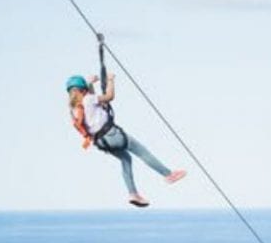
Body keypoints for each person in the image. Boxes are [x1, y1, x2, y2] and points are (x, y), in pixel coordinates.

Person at [67, 73, 186, 207]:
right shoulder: (88, 99)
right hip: (112, 135)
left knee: (126, 159)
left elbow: (94, 104)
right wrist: (111, 80)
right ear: (83, 89)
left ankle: (133, 194)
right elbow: (109, 97)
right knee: (142, 152)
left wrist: (90, 84)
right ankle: (168, 174)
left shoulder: (74, 108)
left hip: (100, 142)